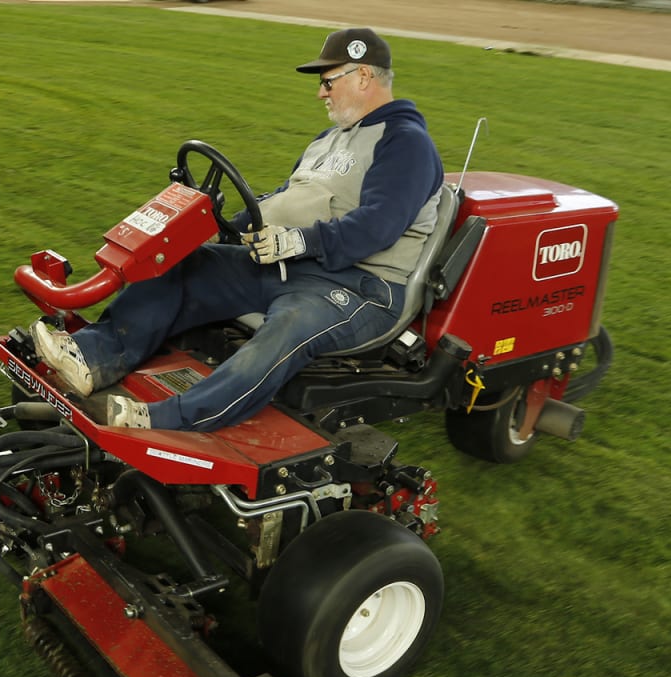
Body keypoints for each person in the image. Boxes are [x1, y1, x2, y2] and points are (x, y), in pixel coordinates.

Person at [32, 27, 444, 432]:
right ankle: (93, 356)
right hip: (294, 264)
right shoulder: (330, 140)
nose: (321, 92)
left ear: (364, 76)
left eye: (328, 81)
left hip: (362, 287)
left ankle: (174, 417)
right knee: (186, 262)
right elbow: (287, 196)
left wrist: (300, 240)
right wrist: (231, 223)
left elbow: (379, 225)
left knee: (291, 324)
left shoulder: (405, 142)